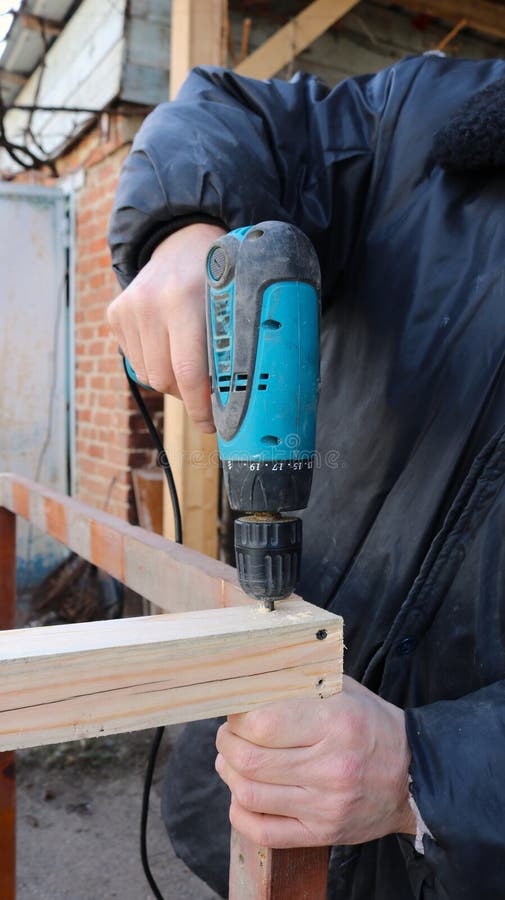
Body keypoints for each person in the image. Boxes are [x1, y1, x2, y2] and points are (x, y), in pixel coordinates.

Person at [107, 53, 505, 899]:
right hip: (263, 821)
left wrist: (435, 774)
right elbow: (226, 114)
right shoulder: (431, 117)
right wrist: (182, 227)